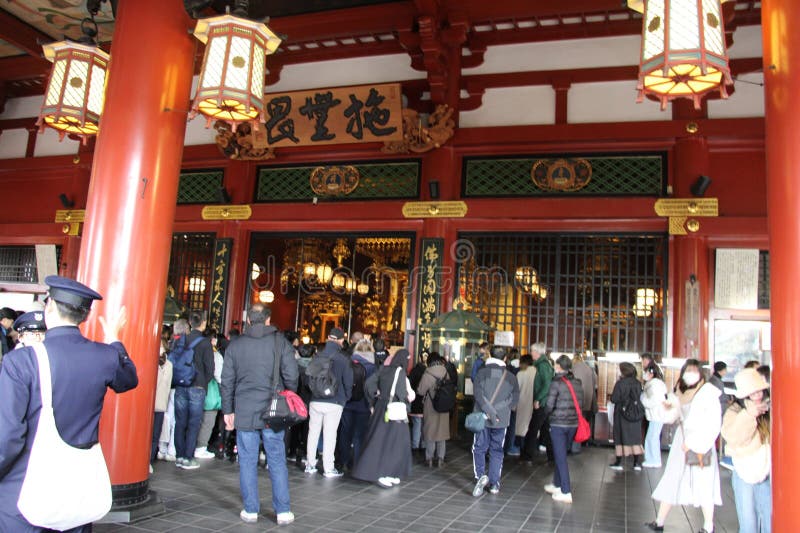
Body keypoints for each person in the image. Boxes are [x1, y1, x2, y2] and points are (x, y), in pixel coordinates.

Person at [0, 275, 138, 532]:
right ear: (85, 315)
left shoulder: (21, 361)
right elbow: (129, 379)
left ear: (50, 306)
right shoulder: (105, 356)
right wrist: (114, 338)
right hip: (77, 487)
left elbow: (7, 435)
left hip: (24, 487)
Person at [220, 304, 298, 526]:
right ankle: (283, 511)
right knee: (276, 460)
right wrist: (288, 394)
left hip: (244, 410)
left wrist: (228, 410)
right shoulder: (280, 343)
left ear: (248, 321)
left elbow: (227, 381)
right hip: (273, 410)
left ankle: (250, 509)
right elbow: (292, 376)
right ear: (268, 320)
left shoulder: (236, 345)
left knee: (247, 460)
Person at [647, 359, 722, 533]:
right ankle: (659, 521)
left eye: (694, 371)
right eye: (688, 370)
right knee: (673, 477)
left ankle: (708, 525)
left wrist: (695, 443)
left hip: (700, 444)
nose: (691, 374)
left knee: (703, 482)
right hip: (682, 443)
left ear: (701, 373)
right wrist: (668, 409)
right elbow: (673, 417)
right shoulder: (680, 392)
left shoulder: (707, 393)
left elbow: (713, 424)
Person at [351, 348, 415, 488]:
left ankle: (381, 472)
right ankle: (387, 473)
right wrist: (408, 403)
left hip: (381, 408)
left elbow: (368, 384)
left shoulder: (383, 369)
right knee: (395, 443)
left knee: (378, 441)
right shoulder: (400, 372)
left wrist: (374, 399)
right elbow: (401, 394)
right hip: (394, 411)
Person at [721, 368, 771, 533]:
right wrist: (750, 415)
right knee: (748, 524)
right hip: (744, 473)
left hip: (766, 472)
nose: (757, 395)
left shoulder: (769, 408)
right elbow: (734, 437)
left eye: (759, 390)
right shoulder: (735, 410)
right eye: (752, 392)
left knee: (770, 523)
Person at [471, 346, 520, 497]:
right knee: (497, 450)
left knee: (479, 448)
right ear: (505, 358)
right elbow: (514, 400)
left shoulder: (482, 373)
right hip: (501, 419)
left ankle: (480, 477)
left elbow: (478, 395)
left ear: (490, 355)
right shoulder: (511, 377)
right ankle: (494, 483)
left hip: (482, 417)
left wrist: (489, 411)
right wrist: (498, 411)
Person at [305, 327, 352, 478]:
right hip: (334, 401)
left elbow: (308, 377)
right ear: (341, 340)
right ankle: (328, 468)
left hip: (315, 400)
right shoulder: (343, 359)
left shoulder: (317, 355)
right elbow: (348, 381)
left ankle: (310, 464)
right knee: (330, 435)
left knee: (313, 432)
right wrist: (346, 397)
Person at [173, 310, 215, 470]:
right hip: (197, 386)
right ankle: (188, 457)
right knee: (194, 423)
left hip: (181, 385)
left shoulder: (181, 340)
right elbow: (210, 369)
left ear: (190, 323)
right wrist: (203, 381)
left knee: (180, 422)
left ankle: (179, 456)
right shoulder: (205, 343)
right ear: (204, 323)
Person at [543, 354, 584, 503]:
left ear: (559, 367)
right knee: (562, 454)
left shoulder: (556, 383)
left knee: (560, 457)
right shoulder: (577, 383)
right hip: (573, 424)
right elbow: (581, 402)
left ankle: (566, 491)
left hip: (558, 423)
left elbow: (549, 405)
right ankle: (557, 483)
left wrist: (547, 415)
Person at [337, 338, 377, 470]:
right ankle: (358, 463)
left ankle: (344, 460)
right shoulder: (372, 366)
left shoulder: (348, 362)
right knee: (359, 435)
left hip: (347, 403)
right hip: (364, 405)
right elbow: (372, 388)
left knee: (345, 432)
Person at [416, 352, 450, 467]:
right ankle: (440, 458)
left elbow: (421, 391)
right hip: (444, 406)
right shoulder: (445, 372)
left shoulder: (427, 374)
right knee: (442, 432)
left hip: (430, 405)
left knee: (430, 431)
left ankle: (429, 458)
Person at [609, 362, 644, 471]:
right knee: (635, 437)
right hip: (635, 413)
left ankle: (618, 462)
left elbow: (614, 399)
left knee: (620, 437)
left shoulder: (620, 384)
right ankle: (636, 463)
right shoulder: (638, 383)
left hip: (621, 414)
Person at [195, 331, 224, 459]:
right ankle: (201, 447)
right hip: (210, 389)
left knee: (195, 419)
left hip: (195, 386)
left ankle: (191, 445)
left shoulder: (195, 349)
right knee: (208, 419)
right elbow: (219, 375)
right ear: (212, 340)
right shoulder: (215, 355)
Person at [524, 342, 554, 462]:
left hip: (542, 403)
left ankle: (527, 454)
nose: (531, 353)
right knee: (545, 429)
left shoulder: (542, 366)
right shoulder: (544, 364)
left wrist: (538, 399)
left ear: (537, 352)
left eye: (532, 351)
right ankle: (552, 455)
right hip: (545, 403)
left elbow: (547, 385)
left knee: (533, 428)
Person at [640, 360, 667, 468]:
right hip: (657, 414)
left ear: (651, 374)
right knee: (652, 437)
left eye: (646, 372)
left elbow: (652, 401)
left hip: (656, 414)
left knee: (652, 438)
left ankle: (653, 460)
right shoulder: (657, 384)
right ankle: (652, 459)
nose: (644, 374)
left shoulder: (654, 385)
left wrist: (643, 398)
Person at [151, 338, 173, 473]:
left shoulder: (168, 365)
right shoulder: (150, 361)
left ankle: (150, 459)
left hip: (160, 403)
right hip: (149, 403)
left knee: (155, 434)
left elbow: (166, 385)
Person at [570, 352, 596, 450]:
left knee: (575, 424)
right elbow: (595, 382)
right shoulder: (589, 368)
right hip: (587, 400)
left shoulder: (573, 369)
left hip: (575, 401)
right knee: (583, 422)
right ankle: (583, 441)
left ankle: (575, 446)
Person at [514, 354, 536, 459]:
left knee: (521, 428)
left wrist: (513, 406)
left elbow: (515, 390)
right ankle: (530, 450)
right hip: (534, 404)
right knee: (531, 427)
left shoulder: (520, 374)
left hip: (522, 404)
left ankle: (521, 450)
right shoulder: (537, 372)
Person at [408, 351, 427, 457]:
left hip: (415, 401)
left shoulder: (414, 371)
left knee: (416, 424)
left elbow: (409, 385)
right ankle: (423, 445)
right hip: (425, 402)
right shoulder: (428, 371)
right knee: (424, 425)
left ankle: (415, 445)